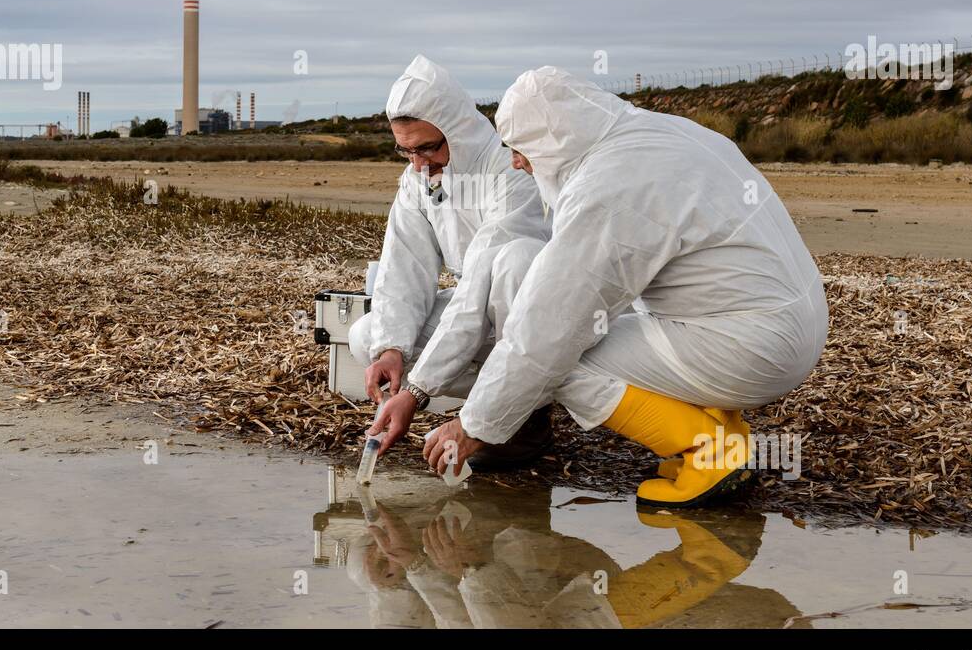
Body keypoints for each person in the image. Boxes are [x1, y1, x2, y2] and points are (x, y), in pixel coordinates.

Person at [420, 66, 829, 508]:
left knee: (560, 358)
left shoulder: (607, 183)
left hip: (753, 346)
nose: (516, 162)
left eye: (520, 148)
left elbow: (545, 334)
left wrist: (473, 425)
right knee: (604, 326)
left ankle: (708, 451)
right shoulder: (664, 133)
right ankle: (725, 433)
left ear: (552, 139)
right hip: (787, 325)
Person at [351, 55, 552, 469]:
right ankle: (497, 403)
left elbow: (480, 289)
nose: (419, 163)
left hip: (532, 318)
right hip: (475, 313)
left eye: (427, 147)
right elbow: (403, 269)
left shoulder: (509, 169)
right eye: (406, 151)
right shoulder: (418, 179)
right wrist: (392, 349)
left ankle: (524, 417)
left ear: (456, 129)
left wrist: (417, 392)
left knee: (515, 261)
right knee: (366, 335)